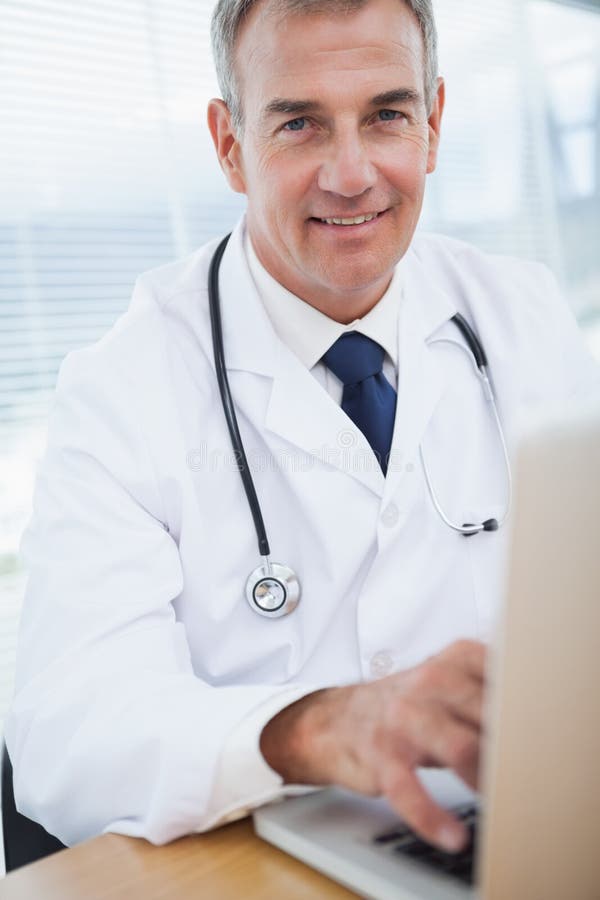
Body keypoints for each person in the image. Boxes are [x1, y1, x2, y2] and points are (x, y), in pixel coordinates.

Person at [6, 0, 599, 857]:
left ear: (432, 124)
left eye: (387, 116)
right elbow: (67, 737)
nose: (352, 174)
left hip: (517, 832)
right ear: (229, 144)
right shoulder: (121, 388)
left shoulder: (523, 314)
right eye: (300, 125)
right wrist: (314, 727)